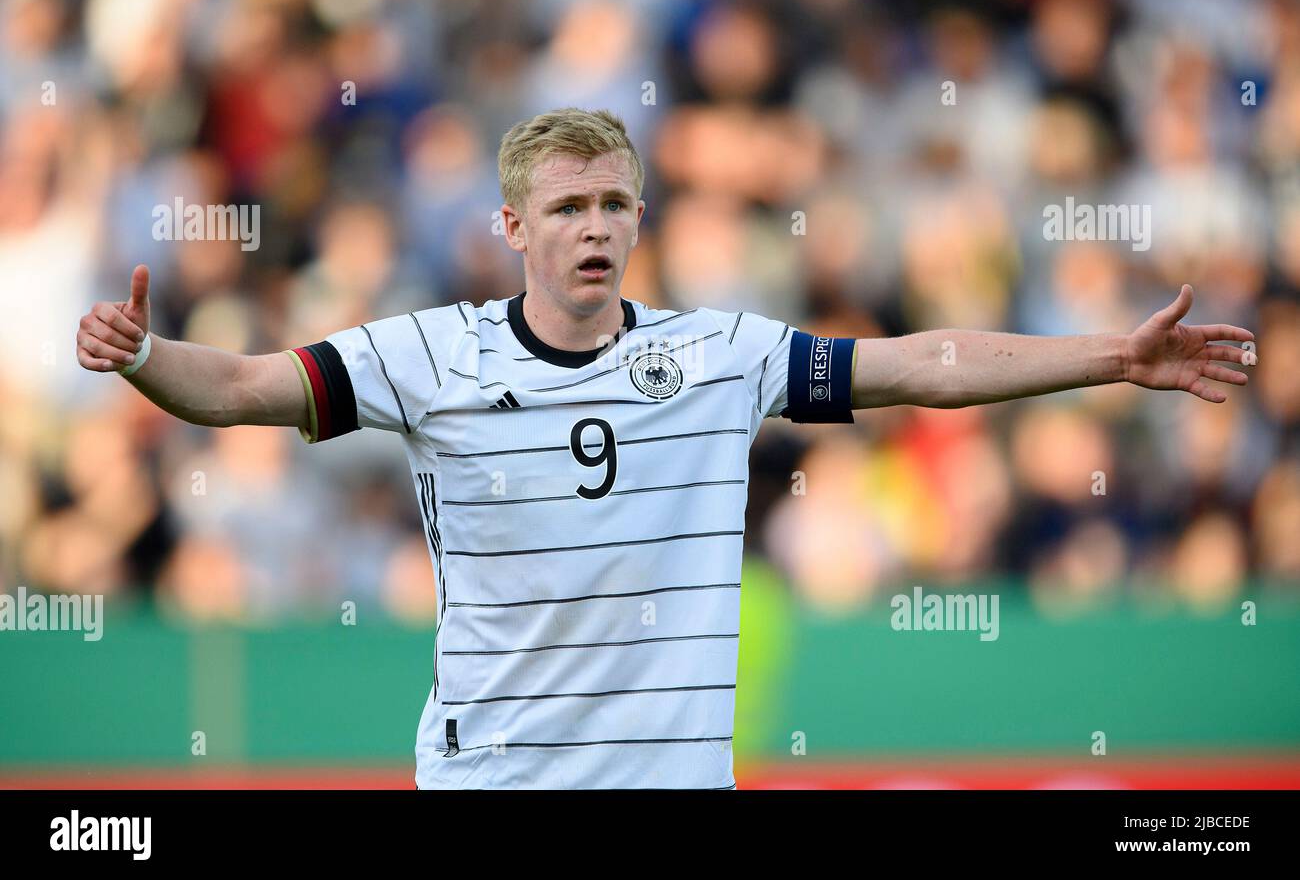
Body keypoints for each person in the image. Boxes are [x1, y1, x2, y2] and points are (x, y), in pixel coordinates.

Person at [76, 107, 1256, 789]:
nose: (594, 229)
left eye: (614, 206)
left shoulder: (720, 353)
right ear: (512, 228)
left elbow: (919, 364)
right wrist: (141, 354)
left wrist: (1109, 357)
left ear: (638, 218)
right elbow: (235, 389)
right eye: (566, 209)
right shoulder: (428, 355)